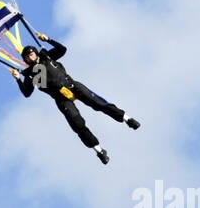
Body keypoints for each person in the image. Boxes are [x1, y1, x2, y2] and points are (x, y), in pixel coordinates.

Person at [11, 31, 140, 165]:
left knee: (98, 103)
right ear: (25, 60)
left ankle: (127, 119)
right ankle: (99, 151)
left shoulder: (47, 56)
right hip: (61, 99)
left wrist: (48, 39)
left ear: (35, 53)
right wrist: (18, 80)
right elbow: (27, 93)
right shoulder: (30, 75)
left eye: (31, 54)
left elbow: (62, 49)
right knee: (77, 123)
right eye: (27, 57)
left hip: (72, 85)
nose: (30, 58)